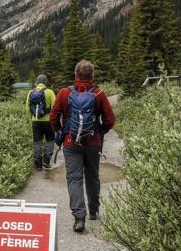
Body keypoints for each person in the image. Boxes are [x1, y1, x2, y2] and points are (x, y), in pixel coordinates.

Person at [49, 60, 116, 232]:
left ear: (75, 74)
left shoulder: (64, 93)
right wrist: (99, 131)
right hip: (93, 143)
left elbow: (53, 117)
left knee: (74, 178)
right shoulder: (99, 94)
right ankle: (93, 210)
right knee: (92, 177)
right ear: (92, 76)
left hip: (71, 143)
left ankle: (79, 218)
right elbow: (110, 120)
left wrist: (60, 132)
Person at [26, 74, 56, 170]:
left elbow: (27, 108)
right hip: (48, 121)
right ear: (45, 82)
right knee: (50, 140)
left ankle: (38, 165)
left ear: (37, 82)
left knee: (37, 142)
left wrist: (32, 119)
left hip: (36, 121)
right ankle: (46, 161)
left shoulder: (31, 92)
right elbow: (55, 108)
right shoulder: (50, 92)